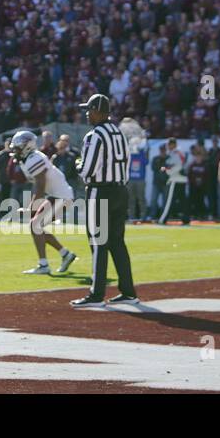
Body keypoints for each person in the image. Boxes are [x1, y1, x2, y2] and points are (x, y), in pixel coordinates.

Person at [71, 94, 138, 306]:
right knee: (117, 242)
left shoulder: (94, 135)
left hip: (100, 192)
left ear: (99, 112)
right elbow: (126, 162)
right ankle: (128, 291)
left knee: (98, 242)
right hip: (120, 190)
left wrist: (78, 165)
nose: (87, 114)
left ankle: (96, 294)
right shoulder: (118, 133)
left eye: (90, 110)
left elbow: (87, 170)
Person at [8, 130, 77, 276]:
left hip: (61, 196)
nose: (15, 150)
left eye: (17, 147)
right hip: (56, 195)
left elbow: (40, 184)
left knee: (35, 225)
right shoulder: (30, 158)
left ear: (27, 146)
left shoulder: (34, 158)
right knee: (36, 226)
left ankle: (44, 265)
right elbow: (38, 185)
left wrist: (30, 208)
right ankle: (65, 254)